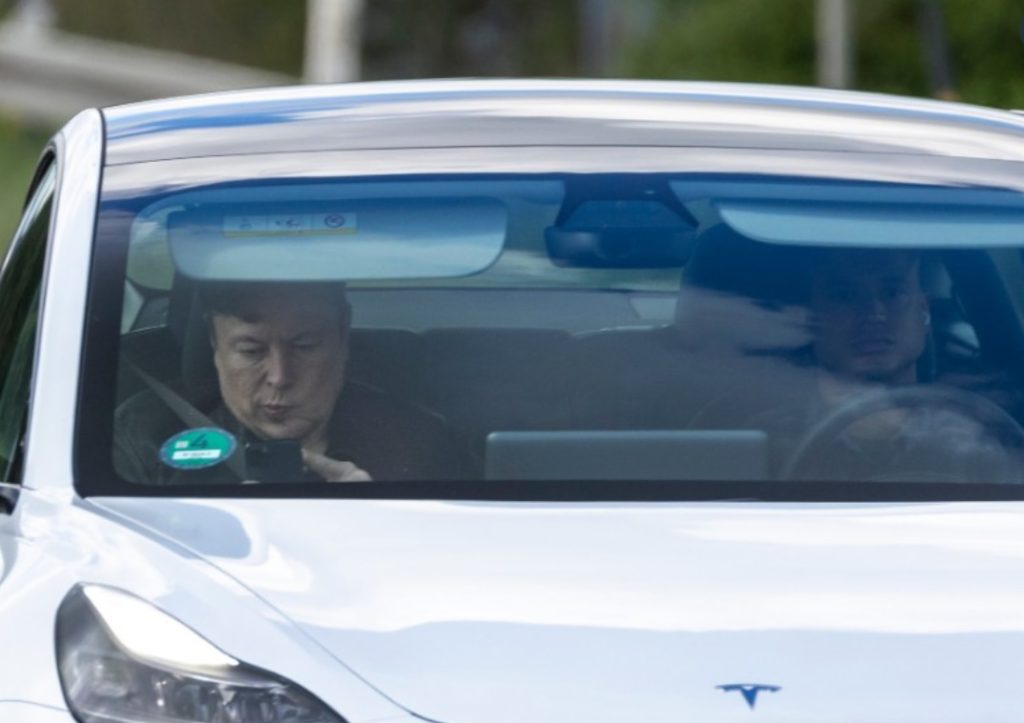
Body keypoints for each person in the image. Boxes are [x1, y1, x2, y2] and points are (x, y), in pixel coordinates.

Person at [114, 282, 460, 484]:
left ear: (342, 336)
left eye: (304, 346)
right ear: (214, 344)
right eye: (251, 351)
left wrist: (375, 520)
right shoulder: (145, 435)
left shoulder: (418, 444)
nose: (280, 377)